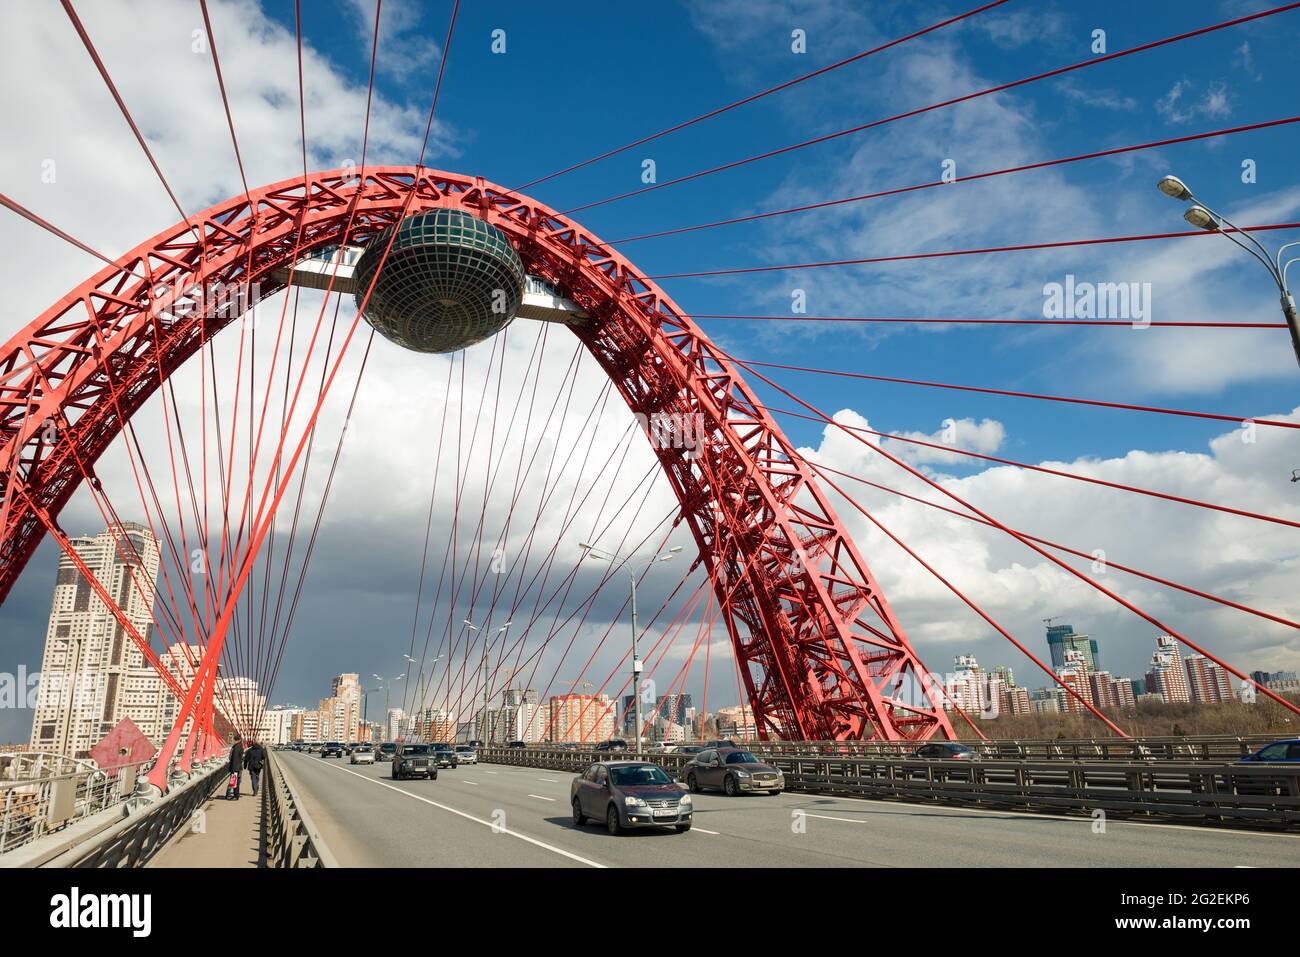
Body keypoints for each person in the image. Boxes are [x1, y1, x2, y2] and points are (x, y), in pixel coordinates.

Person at [228, 733, 244, 800]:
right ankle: (235, 795)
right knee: (236, 782)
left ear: (236, 740)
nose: (232, 741)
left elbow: (234, 759)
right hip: (238, 767)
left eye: (233, 740)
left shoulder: (236, 747)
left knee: (235, 783)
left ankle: (235, 796)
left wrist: (233, 769)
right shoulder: (240, 746)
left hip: (236, 768)